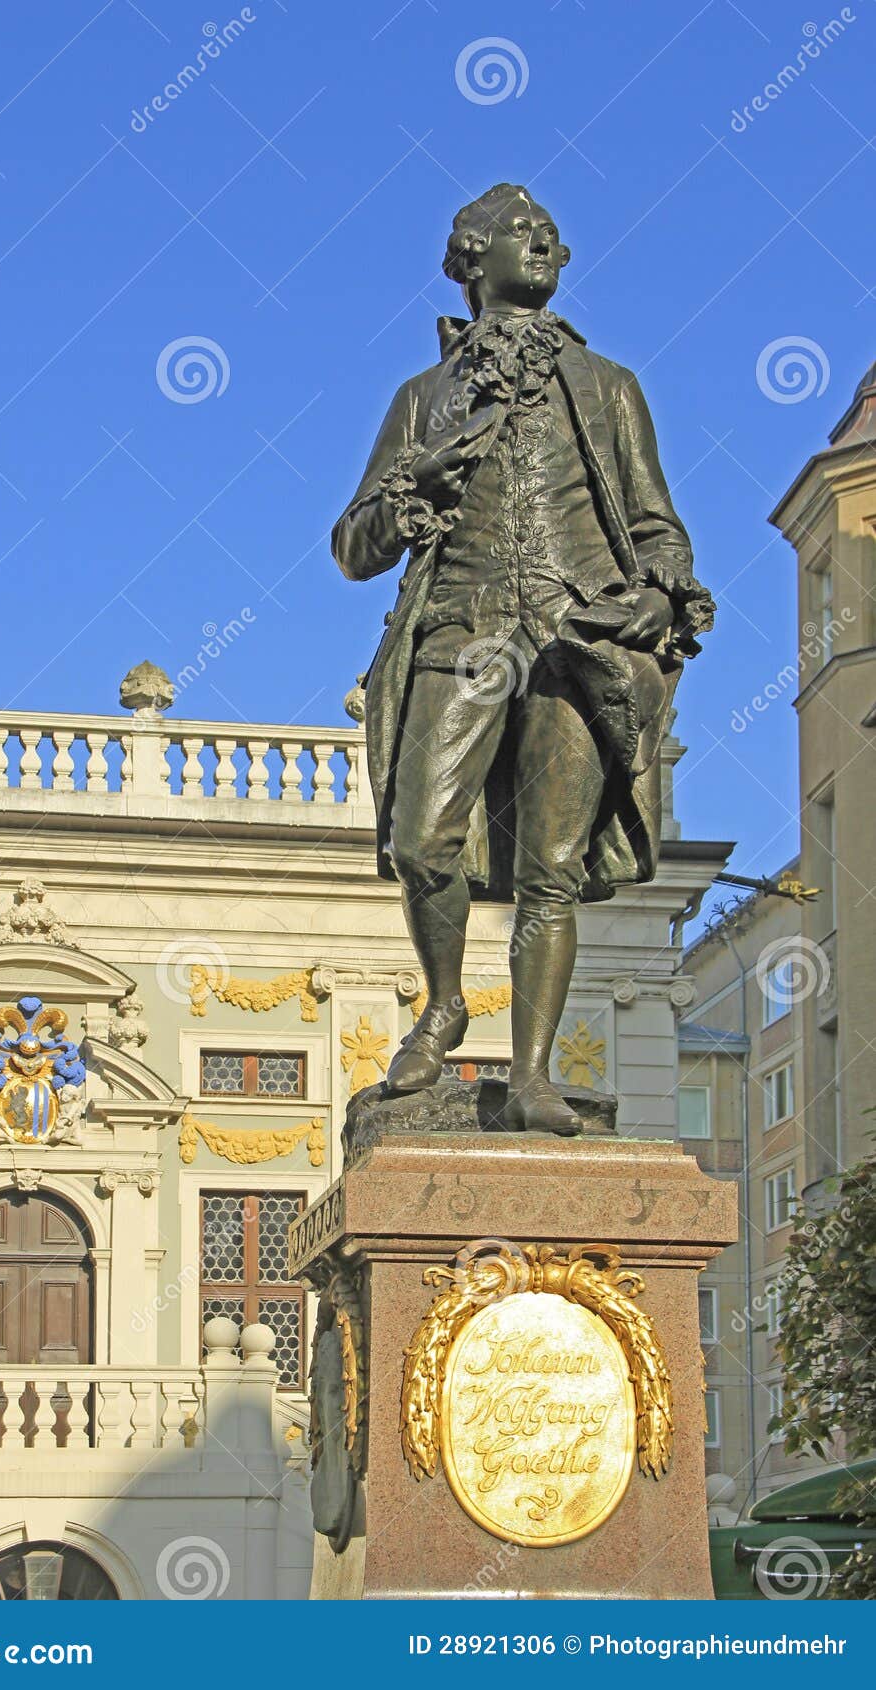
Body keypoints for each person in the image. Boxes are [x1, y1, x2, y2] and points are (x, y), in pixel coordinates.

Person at [333, 184, 714, 1134]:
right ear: (468, 257)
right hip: (459, 633)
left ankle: (533, 1073)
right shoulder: (421, 399)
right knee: (422, 840)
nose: (543, 243)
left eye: (550, 233)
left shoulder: (609, 386)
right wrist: (410, 484)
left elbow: (657, 526)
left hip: (569, 638)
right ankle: (445, 1004)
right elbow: (353, 547)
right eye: (519, 233)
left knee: (550, 864)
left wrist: (659, 594)